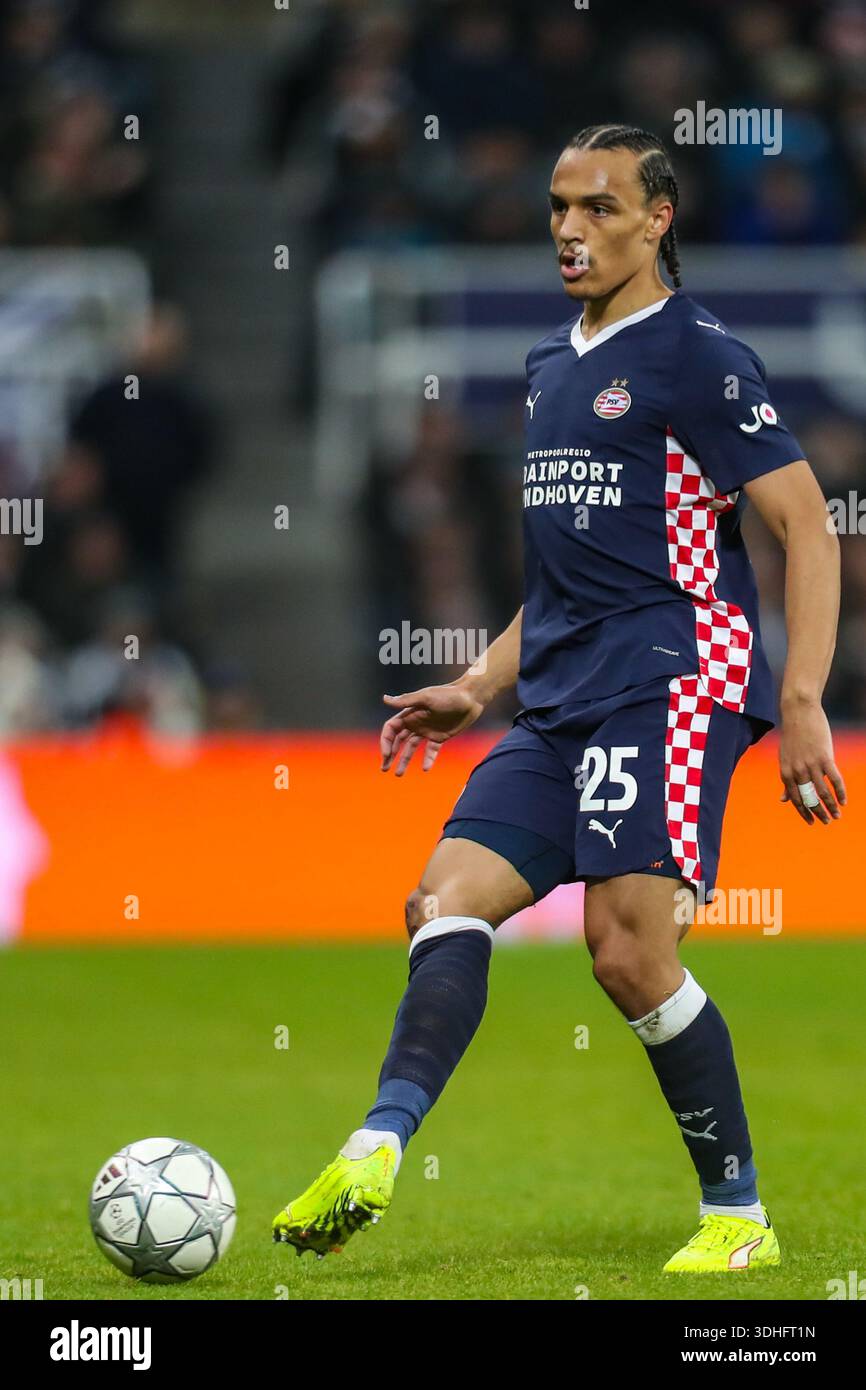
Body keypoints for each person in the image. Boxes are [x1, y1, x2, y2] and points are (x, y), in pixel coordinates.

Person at [273, 124, 845, 1273]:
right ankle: (377, 1145)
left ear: (656, 220)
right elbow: (568, 572)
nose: (568, 232)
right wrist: (481, 680)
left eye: (595, 209)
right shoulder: (549, 367)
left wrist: (798, 697)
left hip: (672, 679)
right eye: (555, 209)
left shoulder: (698, 356)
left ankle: (736, 1216)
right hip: (557, 693)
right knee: (441, 900)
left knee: (625, 952)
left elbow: (804, 522)